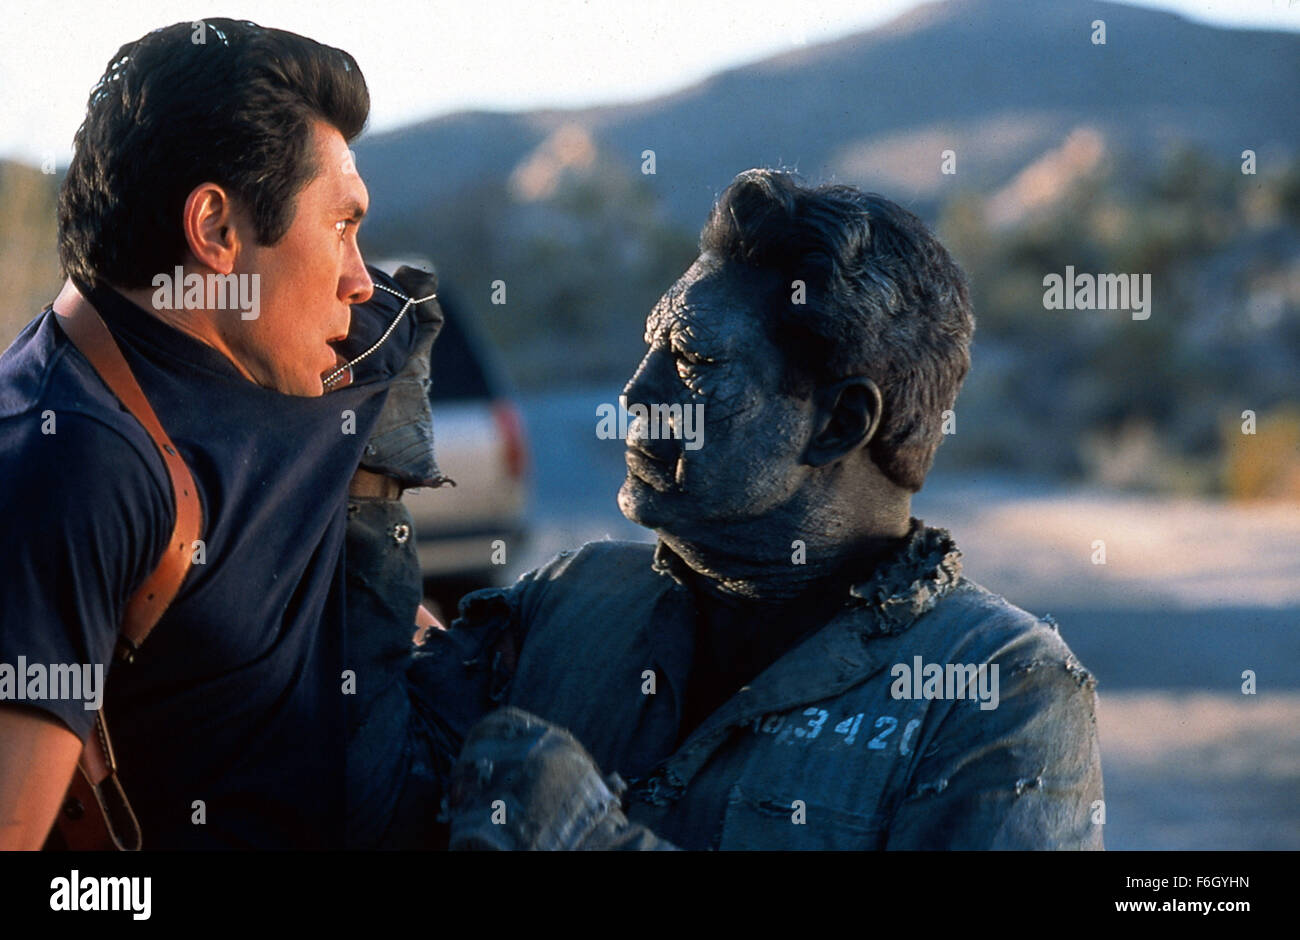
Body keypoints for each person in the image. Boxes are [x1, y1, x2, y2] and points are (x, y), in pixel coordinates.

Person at [418, 168, 1105, 850]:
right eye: (650, 348)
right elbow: (365, 784)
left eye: (692, 360)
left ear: (839, 422)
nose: (635, 394)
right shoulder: (566, 604)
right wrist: (364, 493)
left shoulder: (999, 688)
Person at [0, 18, 444, 849]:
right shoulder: (70, 460)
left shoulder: (350, 337)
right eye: (342, 227)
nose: (360, 280)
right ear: (215, 231)